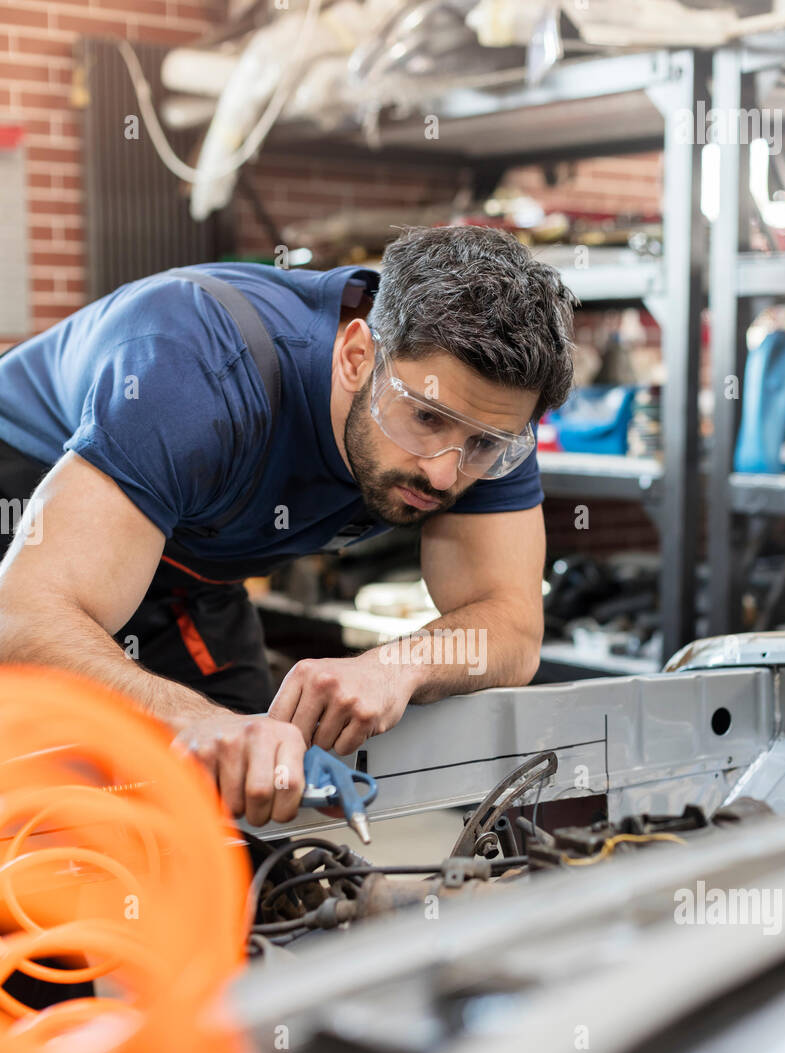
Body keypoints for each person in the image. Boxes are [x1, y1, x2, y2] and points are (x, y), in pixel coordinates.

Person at [0, 224, 576, 827]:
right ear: (358, 357)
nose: (442, 473)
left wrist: (398, 665)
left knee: (255, 807)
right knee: (52, 816)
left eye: (483, 443)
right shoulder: (194, 369)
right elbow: (25, 620)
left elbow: (511, 624)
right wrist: (199, 723)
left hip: (190, 566)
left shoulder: (487, 416)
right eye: (426, 420)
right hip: (29, 536)